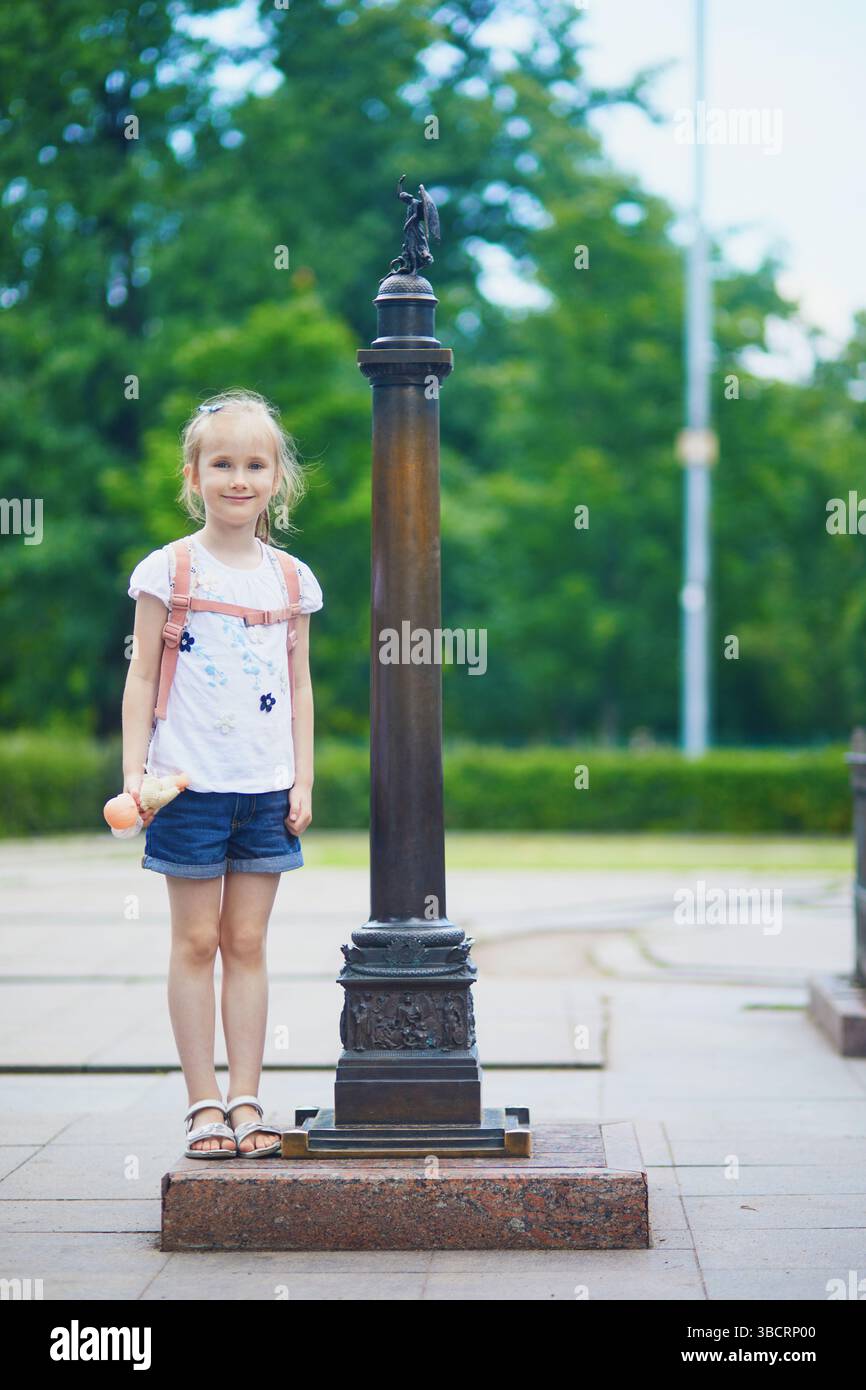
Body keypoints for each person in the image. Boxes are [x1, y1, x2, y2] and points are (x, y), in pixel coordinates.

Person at [122, 389, 323, 1158]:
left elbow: (301, 683)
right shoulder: (167, 570)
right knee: (194, 942)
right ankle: (202, 1104)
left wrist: (302, 781)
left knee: (247, 941)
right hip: (185, 789)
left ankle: (247, 1098)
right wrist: (134, 775)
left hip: (265, 788)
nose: (238, 478)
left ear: (277, 478)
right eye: (222, 464)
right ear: (194, 474)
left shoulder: (290, 580)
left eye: (255, 464)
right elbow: (141, 679)